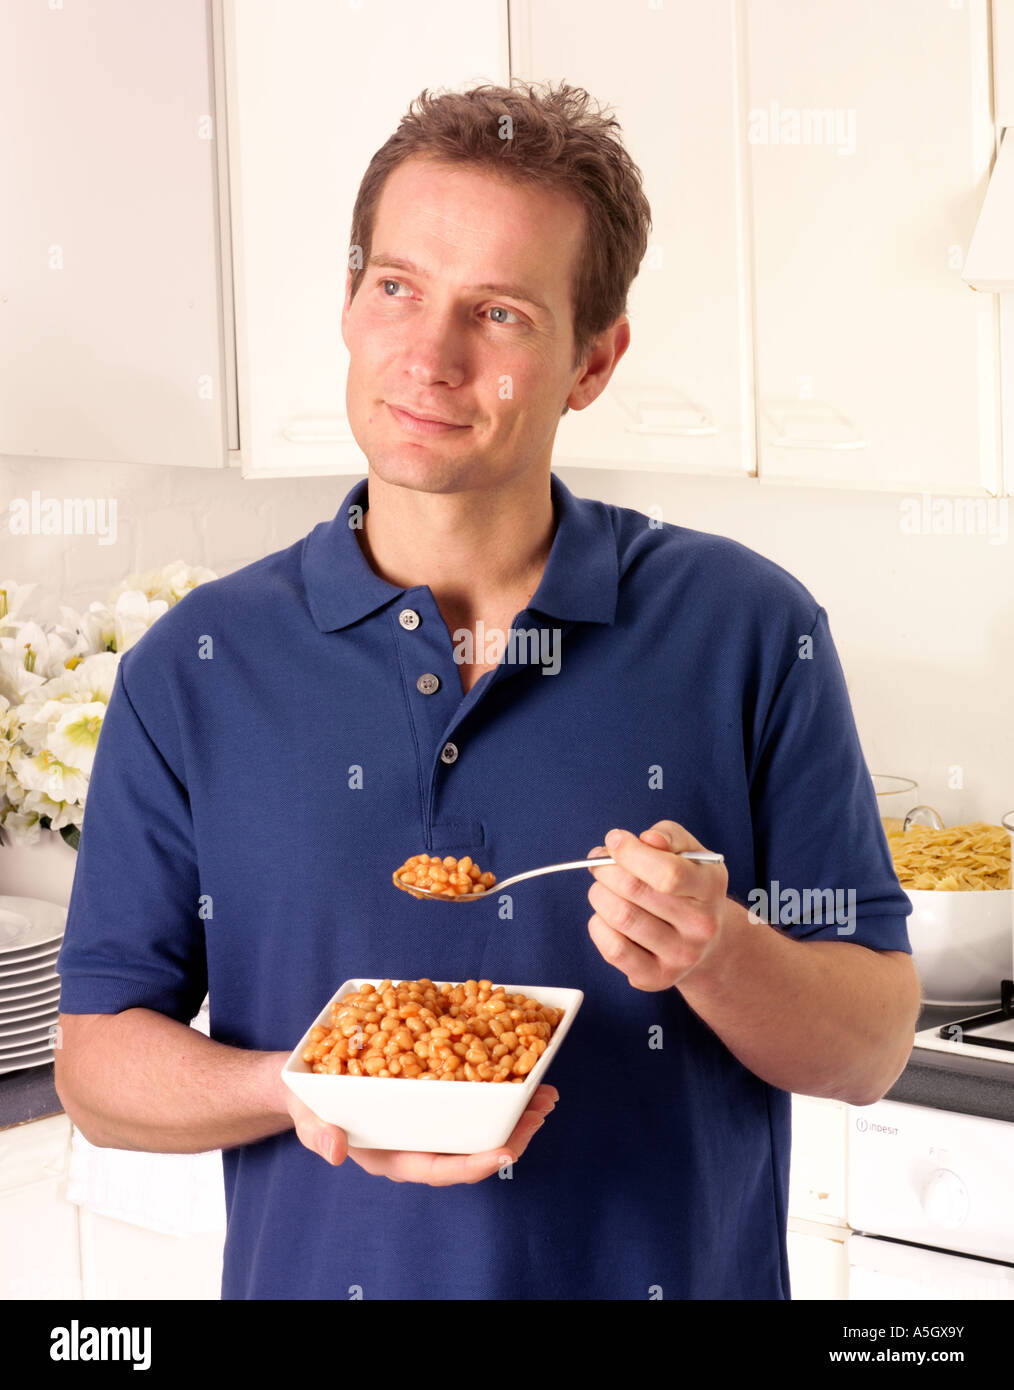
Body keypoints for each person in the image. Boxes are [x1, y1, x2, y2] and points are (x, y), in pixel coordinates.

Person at [54, 81, 919, 1300]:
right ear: (350, 303)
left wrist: (716, 950)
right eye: (396, 286)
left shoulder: (747, 630)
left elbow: (873, 1046)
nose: (430, 355)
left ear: (593, 361)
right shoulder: (196, 665)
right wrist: (301, 1085)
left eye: (500, 313)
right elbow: (95, 1062)